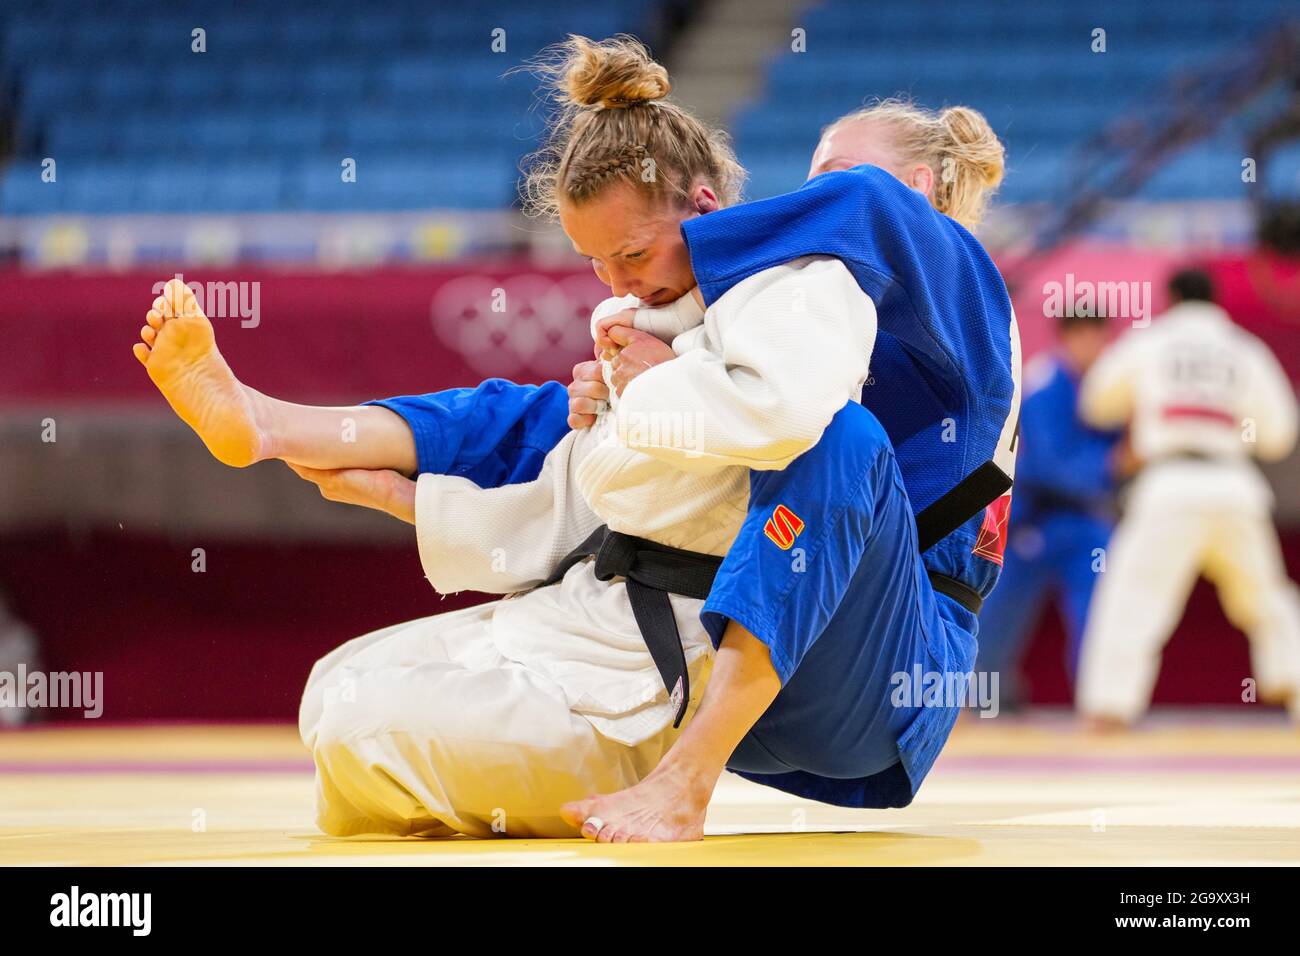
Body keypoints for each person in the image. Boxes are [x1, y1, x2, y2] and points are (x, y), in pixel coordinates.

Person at [133, 39, 1018, 841]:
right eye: (808, 182)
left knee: (840, 440)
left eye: (826, 189)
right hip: (769, 652)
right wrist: (628, 385)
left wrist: (678, 319)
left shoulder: (967, 307)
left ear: (924, 195)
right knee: (549, 414)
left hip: (894, 671)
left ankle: (685, 780)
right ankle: (274, 420)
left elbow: (857, 209)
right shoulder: (775, 304)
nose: (812, 207)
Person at [1075, 269, 1300, 729]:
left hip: (1169, 485)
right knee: (1266, 596)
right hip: (1235, 485)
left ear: (1171, 299)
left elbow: (1096, 402)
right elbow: (1279, 435)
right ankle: (1290, 677)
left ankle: (1111, 706)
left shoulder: (1152, 341)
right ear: (1215, 302)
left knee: (1134, 597)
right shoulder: (1244, 348)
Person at [973, 308, 1121, 709]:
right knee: (997, 614)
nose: (1093, 347)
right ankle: (980, 698)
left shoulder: (1109, 387)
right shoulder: (1042, 382)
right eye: (1084, 337)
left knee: (1099, 617)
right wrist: (1111, 464)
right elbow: (1050, 466)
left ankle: (1099, 703)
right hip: (1031, 519)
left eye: (1099, 337)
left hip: (1086, 520)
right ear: (1067, 337)